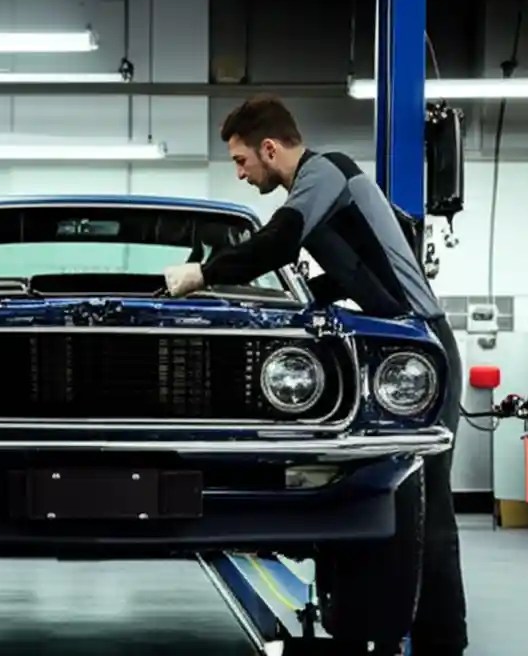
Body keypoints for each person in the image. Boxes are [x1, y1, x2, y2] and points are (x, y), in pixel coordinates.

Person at [163, 94, 467, 656]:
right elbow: (346, 276)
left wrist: (203, 274)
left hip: (415, 350)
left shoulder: (326, 172)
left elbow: (277, 241)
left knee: (428, 504)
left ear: (270, 148)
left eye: (240, 160)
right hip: (398, 343)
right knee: (419, 502)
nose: (240, 171)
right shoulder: (324, 190)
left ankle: (443, 644)